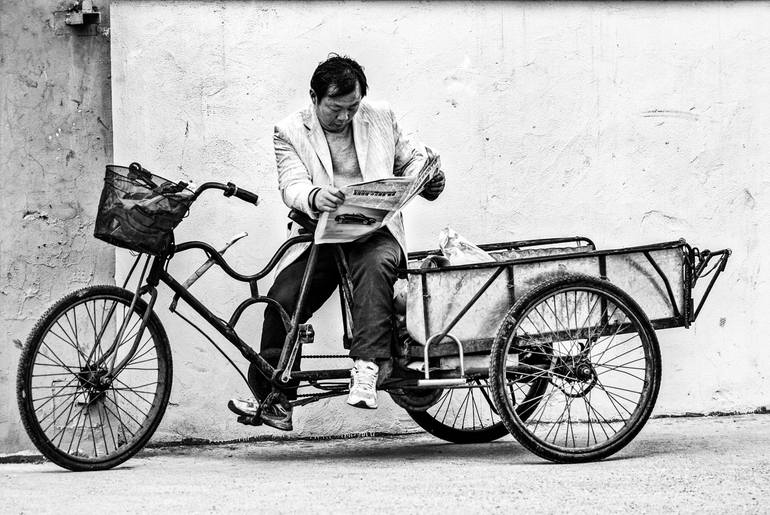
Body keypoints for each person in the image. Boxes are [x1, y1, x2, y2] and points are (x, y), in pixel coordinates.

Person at [228, 54, 445, 430]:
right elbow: (291, 184)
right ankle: (274, 399)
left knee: (375, 268)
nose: (345, 117)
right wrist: (313, 197)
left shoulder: (381, 115)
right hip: (321, 235)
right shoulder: (289, 130)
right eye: (335, 108)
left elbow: (411, 159)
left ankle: (367, 368)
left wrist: (424, 179)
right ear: (314, 98)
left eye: (352, 107)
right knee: (283, 299)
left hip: (375, 232)